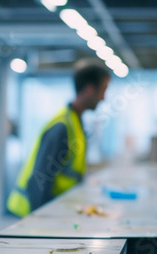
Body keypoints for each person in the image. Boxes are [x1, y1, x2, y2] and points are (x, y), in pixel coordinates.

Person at [7, 62, 111, 216]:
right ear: (89, 89)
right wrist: (42, 224)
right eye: (103, 90)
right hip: (30, 215)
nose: (104, 98)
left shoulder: (75, 123)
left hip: (52, 212)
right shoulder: (62, 128)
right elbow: (39, 181)